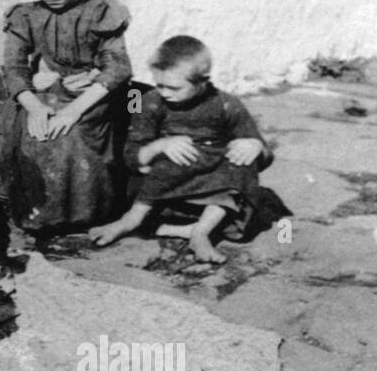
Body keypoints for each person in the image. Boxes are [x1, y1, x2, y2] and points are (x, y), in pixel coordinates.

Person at [88, 35, 275, 264]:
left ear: (202, 81)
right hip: (160, 191)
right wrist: (160, 145)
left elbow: (264, 156)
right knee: (170, 159)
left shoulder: (227, 104)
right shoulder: (149, 101)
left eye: (174, 87)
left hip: (213, 187)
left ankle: (199, 232)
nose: (165, 92)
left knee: (240, 165)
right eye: (159, 84)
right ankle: (131, 220)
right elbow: (130, 156)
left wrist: (254, 146)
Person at [0, 0, 132, 252]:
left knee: (72, 133)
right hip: (48, 93)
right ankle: (39, 218)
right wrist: (34, 106)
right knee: (35, 135)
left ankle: (84, 215)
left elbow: (118, 68)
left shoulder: (99, 11)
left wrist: (75, 109)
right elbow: (13, 68)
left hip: (92, 96)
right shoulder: (26, 16)